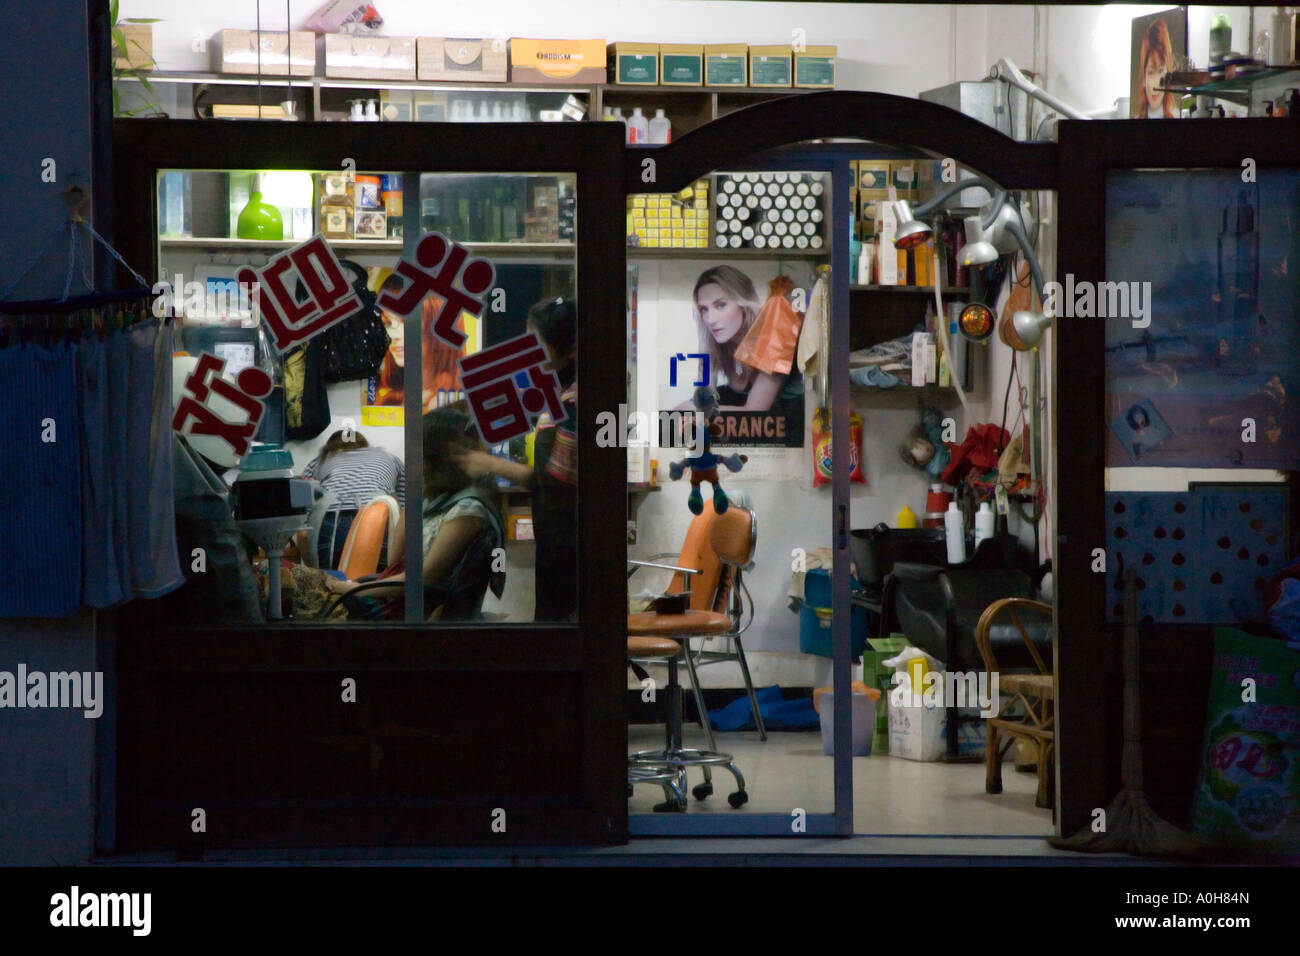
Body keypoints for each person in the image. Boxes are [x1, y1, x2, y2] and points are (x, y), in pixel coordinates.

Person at [454, 297, 579, 622]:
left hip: (571, 543)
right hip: (554, 537)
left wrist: (491, 464)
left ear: (571, 349)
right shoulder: (558, 391)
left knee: (560, 626)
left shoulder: (575, 401)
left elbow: (555, 481)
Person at [325, 403, 505, 620]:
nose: (419, 463)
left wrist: (354, 590)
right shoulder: (434, 499)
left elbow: (423, 579)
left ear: (442, 458)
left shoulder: (467, 509)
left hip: (417, 611)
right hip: (400, 597)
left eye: (424, 455)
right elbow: (394, 559)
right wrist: (414, 495)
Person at [677, 265, 803, 412]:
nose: (710, 319)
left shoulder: (774, 334)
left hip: (787, 416)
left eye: (721, 305)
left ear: (743, 304)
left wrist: (696, 409)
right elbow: (702, 400)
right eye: (704, 309)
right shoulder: (714, 342)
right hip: (743, 414)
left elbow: (756, 410)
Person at [300, 429, 405, 569]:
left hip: (330, 521)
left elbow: (303, 531)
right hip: (377, 520)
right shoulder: (390, 458)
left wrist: (311, 569)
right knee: (376, 580)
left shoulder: (318, 462)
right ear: (364, 445)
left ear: (329, 447)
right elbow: (407, 512)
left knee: (330, 580)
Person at [372, 274, 466, 412]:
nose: (393, 335)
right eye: (387, 323)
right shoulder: (377, 392)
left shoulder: (462, 400)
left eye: (407, 322)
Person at [1135, 18, 1178, 119]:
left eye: (1160, 71)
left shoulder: (1178, 117)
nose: (1156, 84)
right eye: (1150, 72)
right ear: (1144, 77)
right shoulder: (1135, 121)